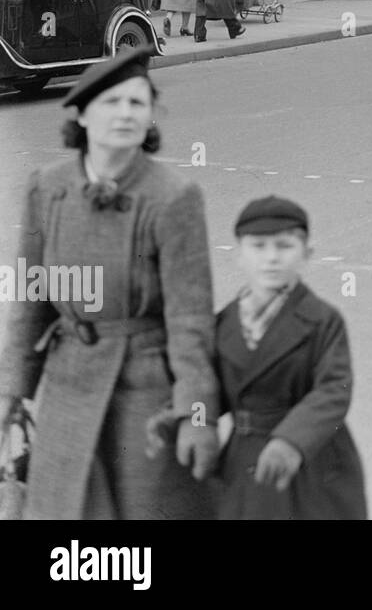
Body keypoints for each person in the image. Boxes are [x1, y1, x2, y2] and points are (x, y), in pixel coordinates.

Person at [0, 48, 221, 519]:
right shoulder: (47, 188)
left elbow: (191, 322)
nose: (125, 114)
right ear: (81, 115)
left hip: (145, 394)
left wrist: (196, 414)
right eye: (111, 102)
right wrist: (11, 394)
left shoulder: (174, 197)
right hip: (66, 388)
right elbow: (30, 300)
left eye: (138, 103)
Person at [198, 196, 366, 519]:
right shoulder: (224, 324)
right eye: (258, 246)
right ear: (238, 255)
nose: (271, 258)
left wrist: (291, 442)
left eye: (284, 245)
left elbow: (333, 390)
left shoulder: (322, 321)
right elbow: (208, 393)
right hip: (244, 462)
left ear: (307, 253)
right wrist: (188, 420)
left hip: (310, 461)